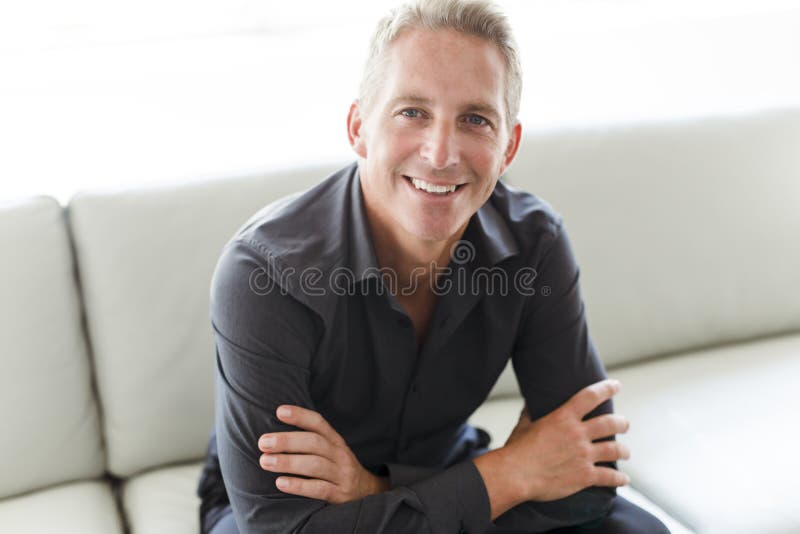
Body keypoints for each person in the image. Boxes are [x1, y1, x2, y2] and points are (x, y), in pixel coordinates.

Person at [197, 0, 670, 532]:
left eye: (474, 119)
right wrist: (506, 477)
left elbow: (589, 471)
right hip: (272, 512)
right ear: (359, 127)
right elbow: (282, 527)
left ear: (508, 145)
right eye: (412, 112)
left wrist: (380, 492)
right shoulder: (266, 274)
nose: (441, 152)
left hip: (443, 471)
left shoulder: (534, 244)